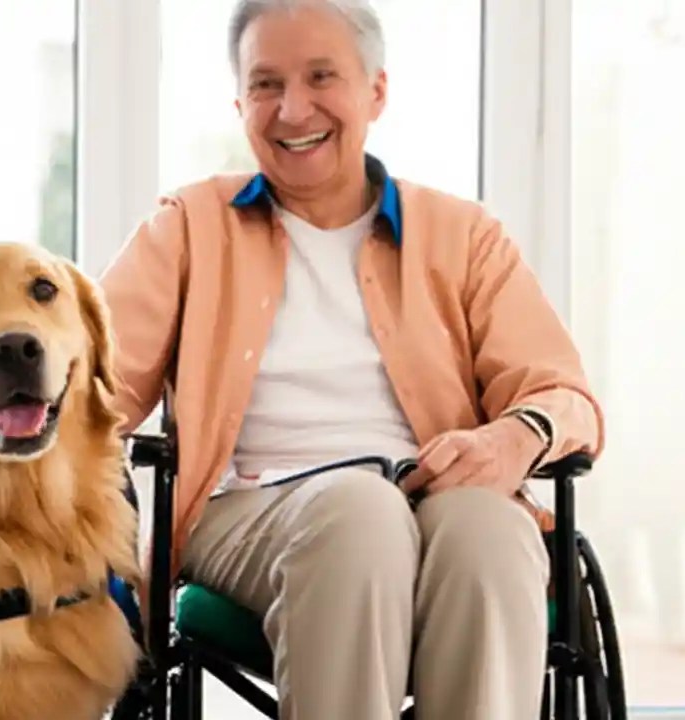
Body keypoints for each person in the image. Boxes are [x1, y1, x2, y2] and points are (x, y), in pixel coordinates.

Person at [99, 1, 604, 717]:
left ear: (376, 91)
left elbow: (563, 394)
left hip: (429, 494)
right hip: (247, 508)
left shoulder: (463, 235)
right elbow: (90, 389)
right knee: (360, 512)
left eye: (320, 77)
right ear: (240, 101)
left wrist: (518, 437)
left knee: (492, 531)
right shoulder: (188, 226)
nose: (292, 108)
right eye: (266, 84)